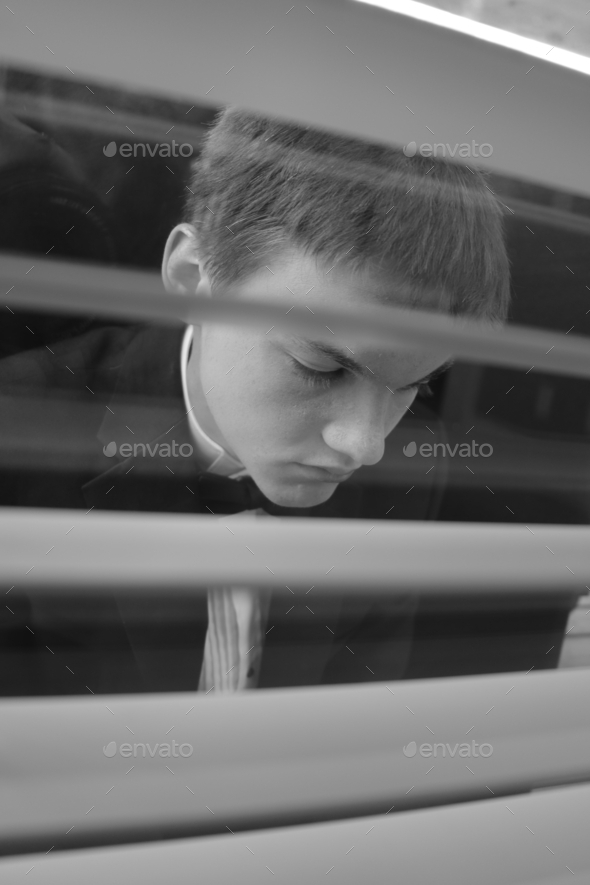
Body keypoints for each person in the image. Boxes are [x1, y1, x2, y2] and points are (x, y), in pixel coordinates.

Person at [0, 107, 511, 695]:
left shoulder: (410, 470)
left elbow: (355, 731)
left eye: (413, 384)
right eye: (320, 366)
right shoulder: (20, 435)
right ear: (194, 279)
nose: (366, 445)